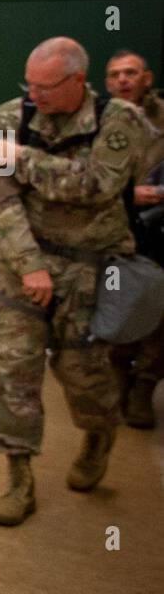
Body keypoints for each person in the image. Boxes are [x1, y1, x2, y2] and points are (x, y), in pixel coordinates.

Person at [0, 37, 148, 526]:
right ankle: (18, 477)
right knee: (16, 367)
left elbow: (98, 185)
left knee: (82, 373)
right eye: (29, 84)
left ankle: (98, 436)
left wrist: (24, 160)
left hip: (92, 268)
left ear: (77, 80)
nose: (36, 95)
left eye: (47, 86)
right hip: (22, 260)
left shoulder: (120, 120)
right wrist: (29, 264)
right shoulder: (11, 117)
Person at [104, 49, 164, 428]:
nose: (123, 80)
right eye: (115, 75)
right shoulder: (97, 120)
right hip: (114, 230)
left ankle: (144, 386)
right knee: (117, 309)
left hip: (160, 231)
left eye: (130, 73)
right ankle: (119, 380)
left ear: (147, 78)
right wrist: (128, 194)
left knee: (161, 316)